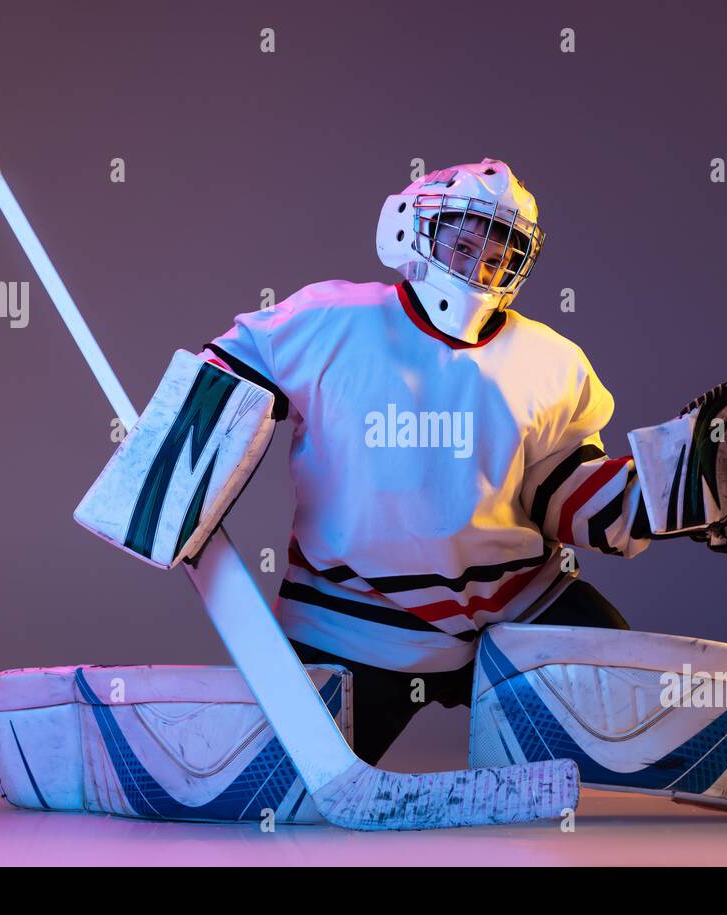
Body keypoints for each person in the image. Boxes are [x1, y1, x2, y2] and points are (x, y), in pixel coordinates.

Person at [200, 159, 652, 765]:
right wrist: (172, 463)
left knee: (633, 705)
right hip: (351, 618)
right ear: (409, 229)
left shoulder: (552, 360)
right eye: (464, 245)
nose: (479, 269)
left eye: (497, 258)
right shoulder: (327, 321)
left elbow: (559, 489)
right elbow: (226, 377)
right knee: (282, 791)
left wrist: (667, 498)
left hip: (513, 611)